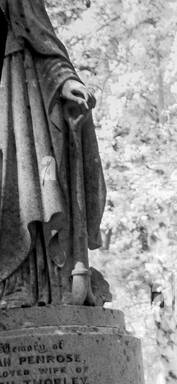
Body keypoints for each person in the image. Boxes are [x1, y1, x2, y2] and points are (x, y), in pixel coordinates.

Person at [0, 0, 108, 308]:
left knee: (23, 188)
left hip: (17, 104)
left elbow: (41, 39)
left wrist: (66, 81)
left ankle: (28, 281)